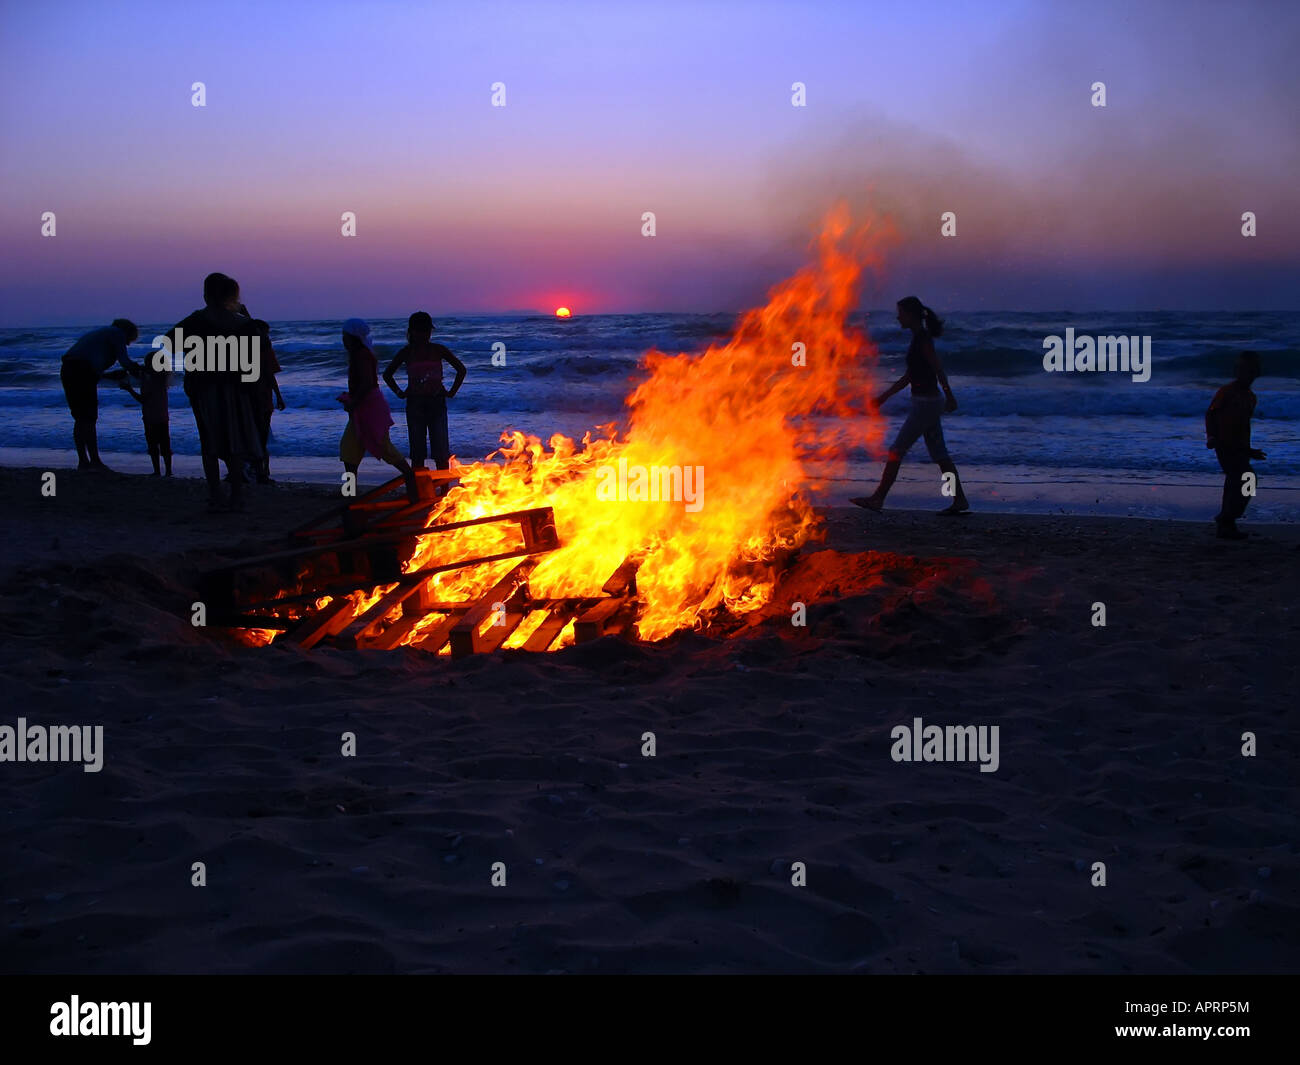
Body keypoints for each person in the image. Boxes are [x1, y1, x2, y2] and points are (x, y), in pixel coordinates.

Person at [852, 297, 969, 514]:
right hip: (927, 403)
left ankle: (878, 498)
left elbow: (937, 368)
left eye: (901, 313)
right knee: (940, 455)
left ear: (911, 315)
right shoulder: (918, 338)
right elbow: (910, 376)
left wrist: (950, 396)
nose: (898, 317)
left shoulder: (923, 339)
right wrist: (885, 396)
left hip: (926, 405)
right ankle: (959, 500)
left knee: (896, 450)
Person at [168, 273, 265, 511]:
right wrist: (246, 316)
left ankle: (215, 494)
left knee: (208, 441)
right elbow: (261, 346)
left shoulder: (195, 321)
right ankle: (236, 495)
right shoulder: (241, 323)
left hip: (203, 387)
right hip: (235, 388)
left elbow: (169, 342)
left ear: (207, 295)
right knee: (235, 441)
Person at [338, 318, 417, 498]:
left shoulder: (362, 355)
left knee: (383, 446)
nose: (343, 340)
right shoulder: (360, 354)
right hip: (364, 406)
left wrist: (353, 401)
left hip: (370, 407)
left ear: (353, 337)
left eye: (345, 336)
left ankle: (411, 477)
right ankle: (349, 493)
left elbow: (367, 384)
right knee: (349, 450)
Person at [383, 311, 466, 470]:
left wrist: (452, 391)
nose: (424, 334)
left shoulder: (439, 349)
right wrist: (400, 393)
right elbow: (387, 374)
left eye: (426, 331)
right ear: (412, 331)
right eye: (420, 330)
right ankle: (420, 490)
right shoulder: (407, 352)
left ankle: (444, 491)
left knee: (441, 450)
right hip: (415, 404)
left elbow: (461, 369)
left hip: (437, 403)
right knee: (417, 451)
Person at [60, 319, 142, 470]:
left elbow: (90, 368)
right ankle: (95, 461)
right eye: (129, 340)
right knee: (89, 418)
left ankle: (84, 461)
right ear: (127, 332)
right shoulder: (116, 334)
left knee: (80, 418)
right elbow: (125, 362)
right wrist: (142, 374)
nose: (128, 344)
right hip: (80, 371)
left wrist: (110, 375)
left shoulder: (101, 334)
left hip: (69, 370)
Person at [1205, 351, 1265, 540]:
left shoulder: (1250, 396)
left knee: (1236, 483)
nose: (1247, 374)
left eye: (1250, 370)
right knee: (1248, 480)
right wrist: (1212, 436)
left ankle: (1227, 524)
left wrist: (1247, 449)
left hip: (1240, 446)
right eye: (1242, 370)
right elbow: (1211, 415)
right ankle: (1226, 519)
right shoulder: (1227, 392)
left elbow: (1241, 425)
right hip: (1226, 445)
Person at [122, 354, 173, 475]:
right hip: (162, 416)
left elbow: (143, 399)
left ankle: (157, 471)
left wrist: (129, 389)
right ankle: (168, 471)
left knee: (153, 445)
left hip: (150, 417)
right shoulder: (162, 378)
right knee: (165, 444)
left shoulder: (150, 379)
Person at [250, 318, 285, 483]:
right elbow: (270, 376)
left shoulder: (250, 351)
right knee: (260, 436)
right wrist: (278, 396)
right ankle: (261, 471)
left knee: (258, 435)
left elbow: (270, 376)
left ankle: (260, 470)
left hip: (257, 398)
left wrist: (278, 396)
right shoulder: (263, 351)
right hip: (259, 398)